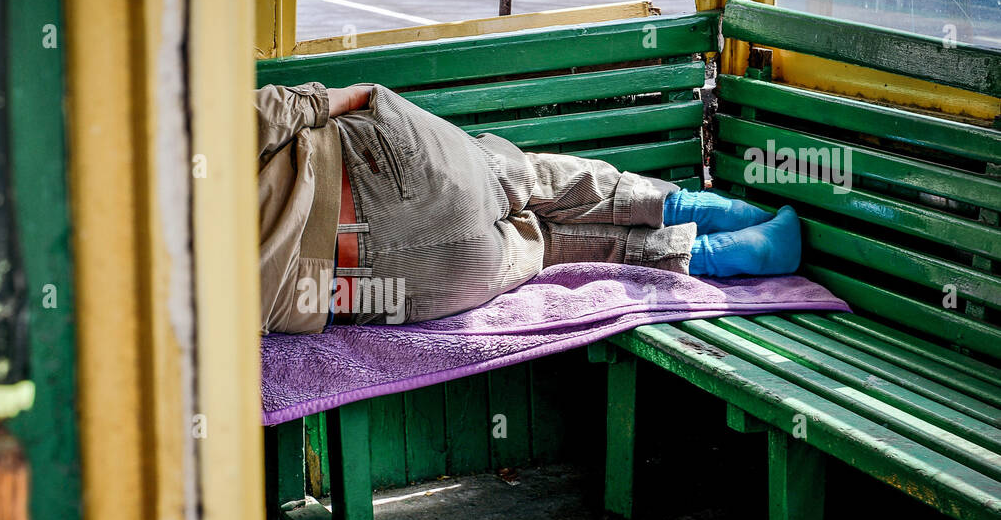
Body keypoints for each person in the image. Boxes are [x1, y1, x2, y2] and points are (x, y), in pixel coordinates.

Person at [256, 82, 800, 335]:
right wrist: (354, 97)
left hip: (371, 290)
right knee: (529, 178)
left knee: (551, 248)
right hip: (373, 178)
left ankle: (721, 255)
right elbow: (267, 115)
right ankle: (705, 209)